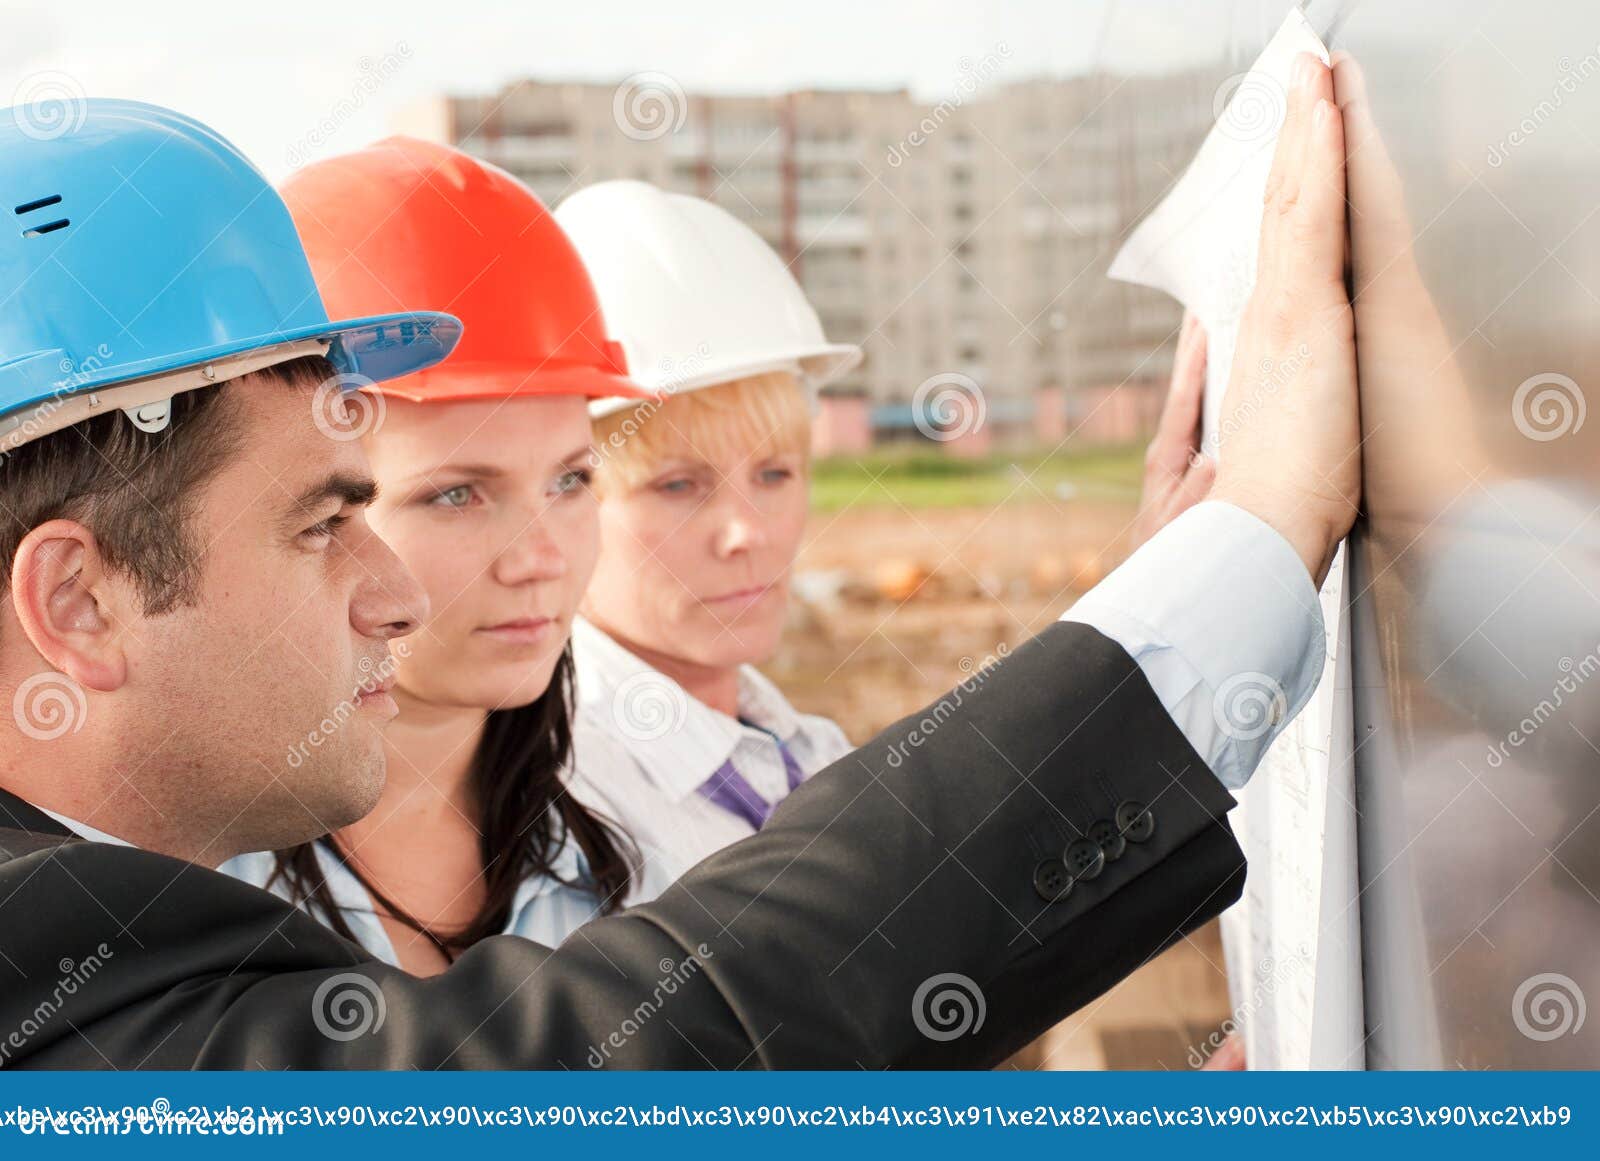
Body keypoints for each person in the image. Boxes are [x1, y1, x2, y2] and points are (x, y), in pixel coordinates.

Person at [0, 52, 1357, 1068]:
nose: (400, 590)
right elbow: (626, 1052)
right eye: (323, 522)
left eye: (573, 477)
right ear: (75, 603)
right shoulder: (67, 977)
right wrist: (1255, 537)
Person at [218, 139, 667, 974]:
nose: (540, 558)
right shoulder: (173, 886)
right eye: (457, 494)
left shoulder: (652, 855)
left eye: (571, 479)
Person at [551, 181, 859, 885]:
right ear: (559, 498)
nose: (747, 533)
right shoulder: (556, 812)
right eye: (678, 485)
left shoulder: (818, 757)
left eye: (776, 473)